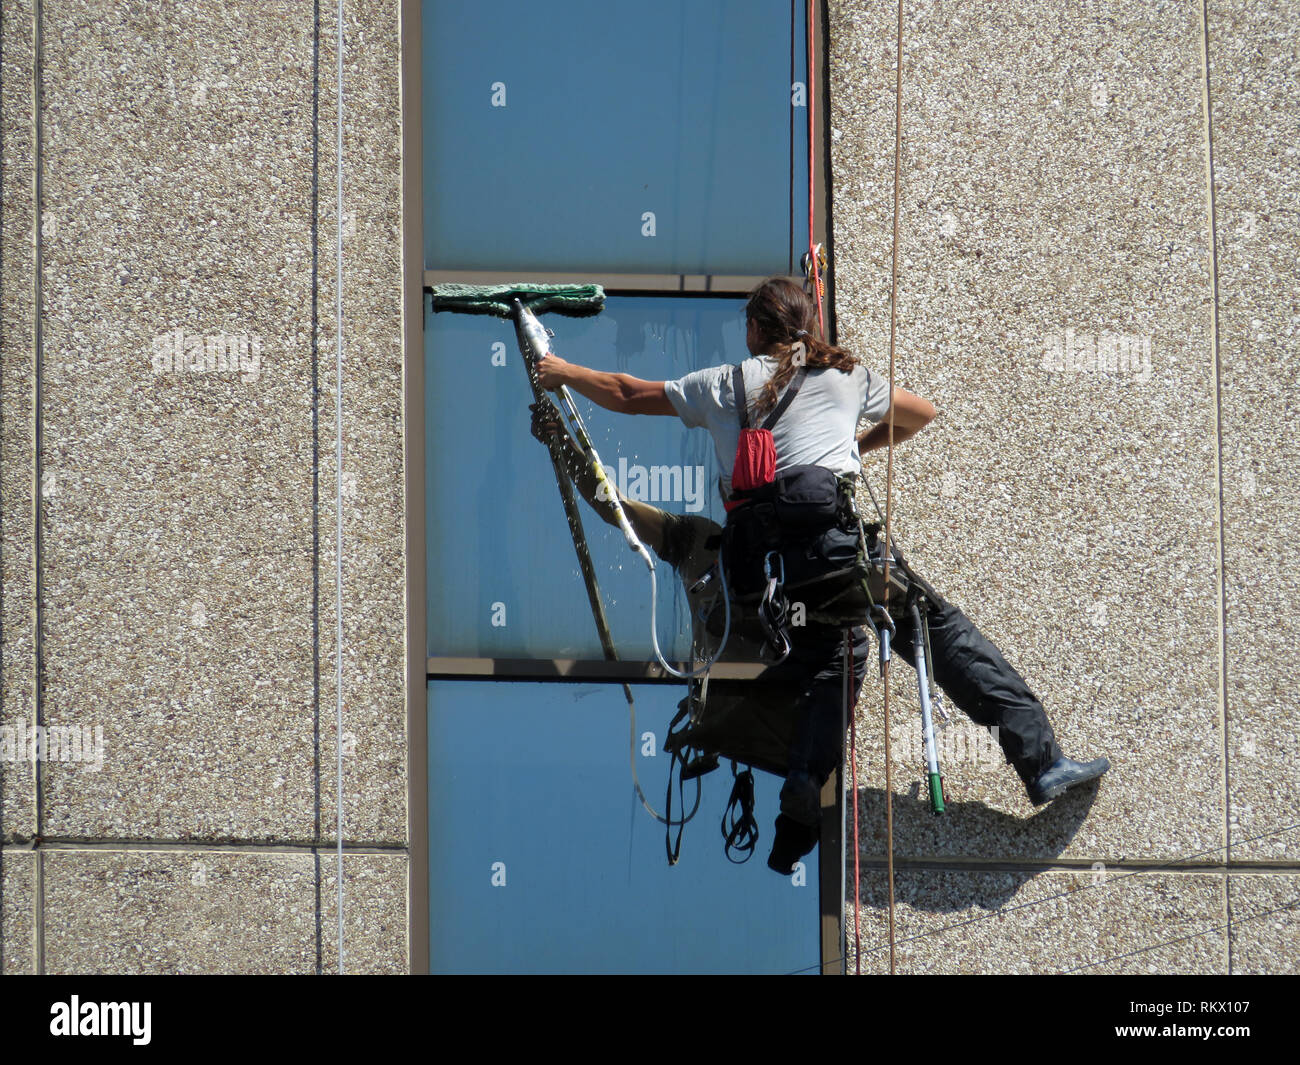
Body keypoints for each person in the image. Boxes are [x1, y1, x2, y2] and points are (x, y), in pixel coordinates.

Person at [534, 277, 1109, 873]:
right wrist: (857, 442)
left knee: (837, 654)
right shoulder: (845, 376)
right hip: (833, 561)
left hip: (759, 580)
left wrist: (563, 371)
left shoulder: (720, 385)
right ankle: (1041, 763)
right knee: (935, 629)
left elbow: (628, 393)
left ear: (755, 330)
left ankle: (803, 791)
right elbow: (921, 413)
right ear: (809, 326)